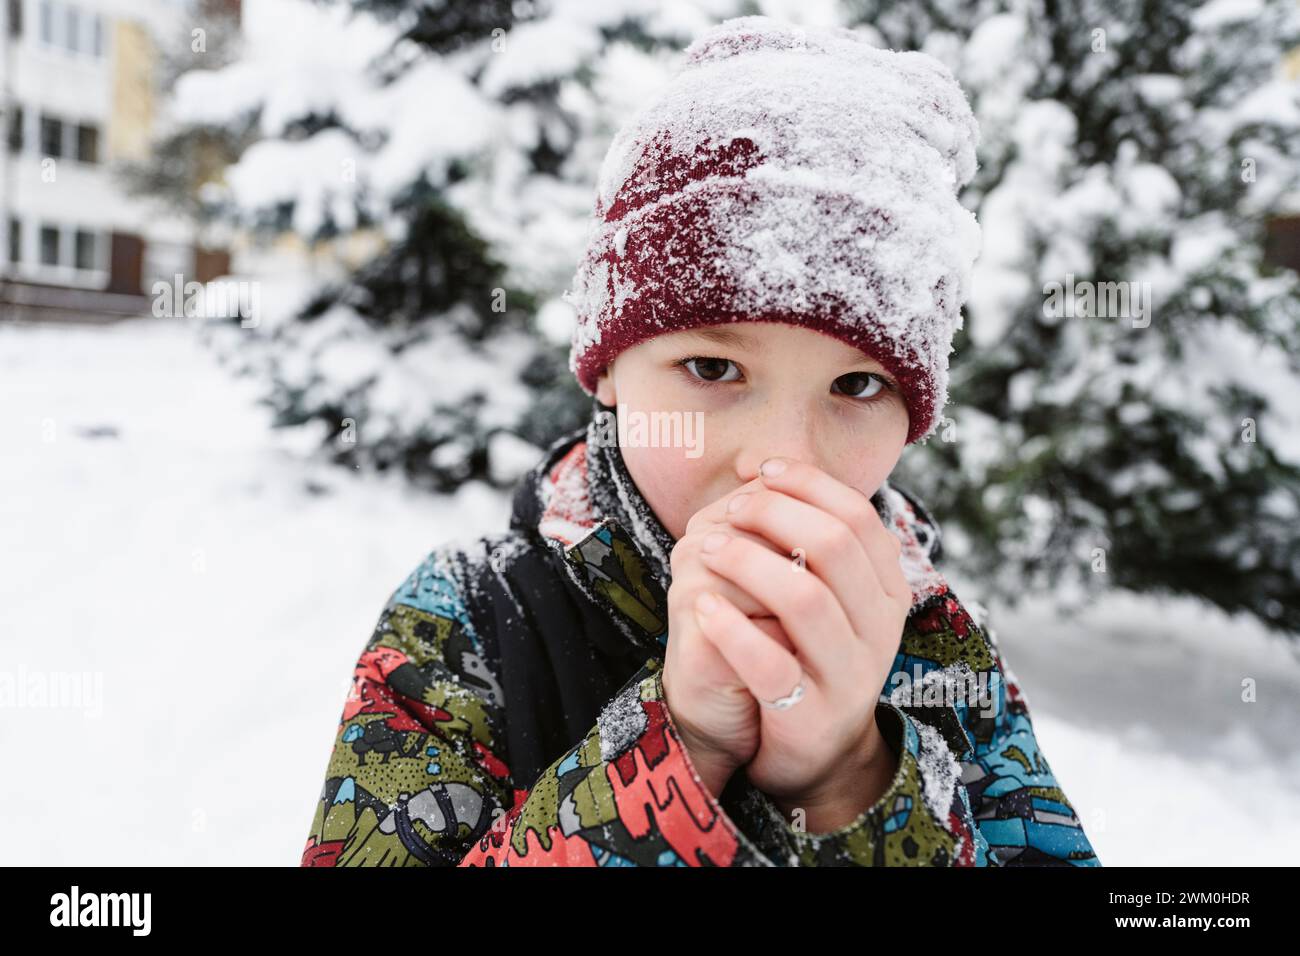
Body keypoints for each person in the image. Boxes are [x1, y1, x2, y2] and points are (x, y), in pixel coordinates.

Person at [300, 15, 1101, 867]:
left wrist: (843, 783)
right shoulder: (472, 625)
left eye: (857, 385)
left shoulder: (938, 652)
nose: (781, 459)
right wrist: (678, 749)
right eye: (713, 369)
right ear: (608, 372)